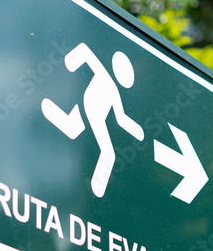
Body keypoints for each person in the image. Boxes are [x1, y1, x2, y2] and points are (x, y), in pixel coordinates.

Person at [41, 44, 144, 197]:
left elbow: (121, 118)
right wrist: (71, 61)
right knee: (108, 151)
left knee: (77, 128)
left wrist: (138, 131)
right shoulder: (107, 79)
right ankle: (97, 188)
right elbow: (86, 52)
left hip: (88, 107)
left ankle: (65, 120)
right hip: (94, 112)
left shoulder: (113, 88)